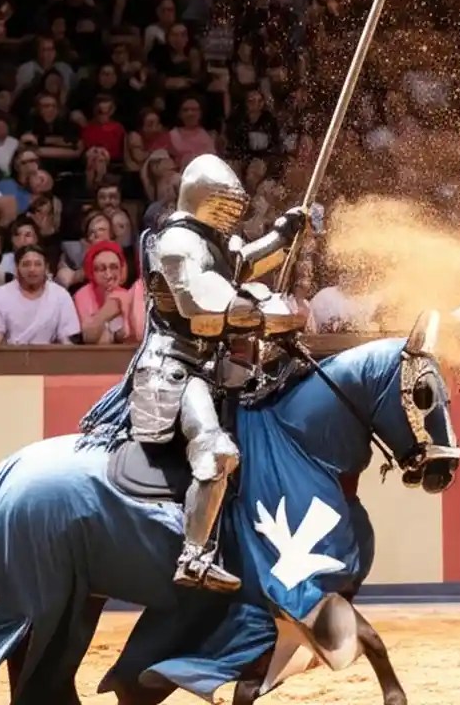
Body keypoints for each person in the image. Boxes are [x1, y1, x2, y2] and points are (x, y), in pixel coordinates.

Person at [79, 154, 309, 593]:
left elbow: (241, 263)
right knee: (216, 450)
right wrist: (265, 313)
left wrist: (282, 234)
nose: (231, 211)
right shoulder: (177, 242)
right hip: (176, 366)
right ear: (204, 198)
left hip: (209, 365)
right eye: (225, 203)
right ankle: (194, 556)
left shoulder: (208, 240)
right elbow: (202, 307)